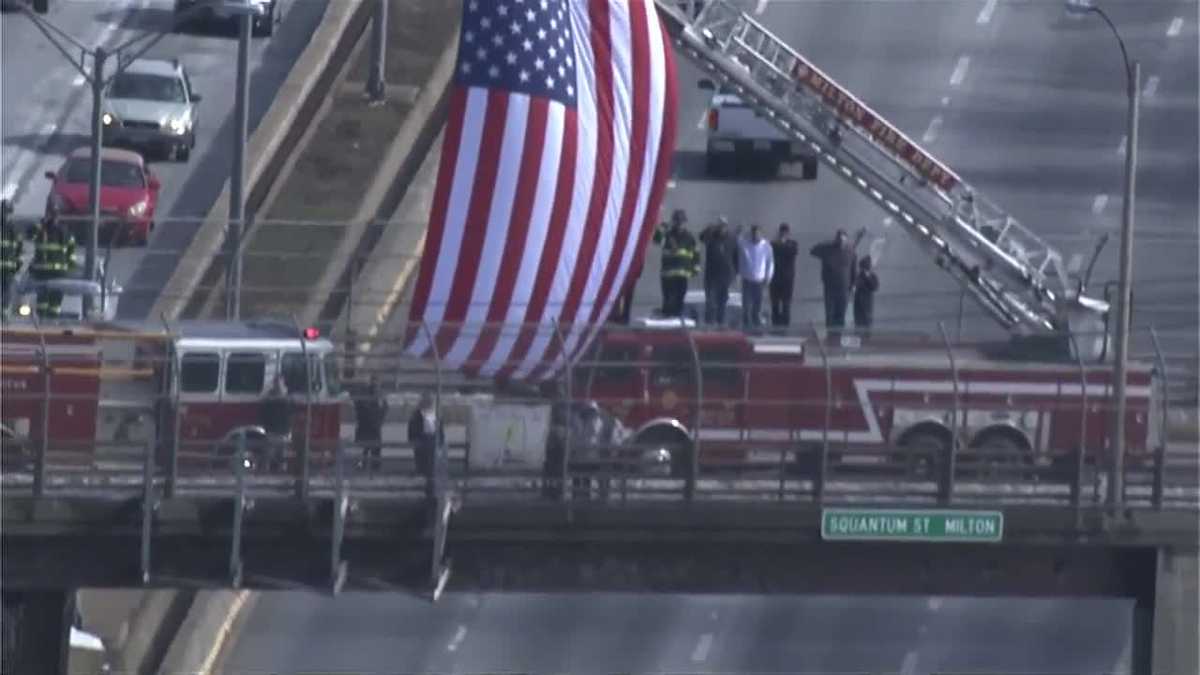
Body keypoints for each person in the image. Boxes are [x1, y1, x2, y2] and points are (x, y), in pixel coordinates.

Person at [809, 229, 857, 341]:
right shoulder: (827, 249)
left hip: (844, 288)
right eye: (839, 240)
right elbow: (813, 251)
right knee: (830, 313)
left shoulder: (851, 252)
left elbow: (854, 270)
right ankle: (830, 335)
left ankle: (838, 335)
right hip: (830, 287)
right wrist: (827, 243)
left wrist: (853, 285)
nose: (841, 242)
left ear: (846, 240)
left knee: (841, 313)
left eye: (843, 240)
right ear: (836, 240)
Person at [29, 207, 76, 318]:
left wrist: (40, 224)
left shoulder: (43, 230)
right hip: (55, 272)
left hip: (45, 272)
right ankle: (50, 320)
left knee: (48, 298)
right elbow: (71, 253)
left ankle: (47, 319)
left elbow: (30, 235)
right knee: (50, 298)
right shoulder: (62, 231)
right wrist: (69, 268)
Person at [652, 209, 699, 318]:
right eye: (677, 221)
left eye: (681, 221)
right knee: (668, 298)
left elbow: (696, 253)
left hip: (682, 274)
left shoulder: (689, 237)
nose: (679, 224)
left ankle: (677, 318)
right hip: (668, 274)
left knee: (680, 298)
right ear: (674, 222)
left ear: (684, 222)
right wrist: (662, 227)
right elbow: (656, 240)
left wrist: (695, 269)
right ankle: (667, 317)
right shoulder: (667, 235)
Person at [698, 216, 738, 326]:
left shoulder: (732, 238)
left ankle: (721, 324)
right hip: (711, 276)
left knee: (722, 301)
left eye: (724, 226)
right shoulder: (711, 237)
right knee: (710, 302)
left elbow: (736, 257)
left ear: (727, 227)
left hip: (726, 275)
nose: (722, 229)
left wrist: (736, 273)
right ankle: (709, 324)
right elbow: (701, 237)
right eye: (720, 226)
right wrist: (709, 228)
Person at [408, 392, 445, 512]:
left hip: (432, 443)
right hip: (423, 444)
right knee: (427, 471)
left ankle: (431, 495)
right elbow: (412, 429)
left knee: (432, 472)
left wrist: (441, 443)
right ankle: (429, 495)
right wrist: (414, 441)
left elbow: (440, 430)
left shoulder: (436, 414)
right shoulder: (417, 415)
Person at [737, 224, 774, 329]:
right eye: (753, 234)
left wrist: (768, 277)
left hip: (760, 281)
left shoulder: (766, 246)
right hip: (747, 280)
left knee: (757, 307)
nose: (755, 236)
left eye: (757, 234)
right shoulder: (745, 244)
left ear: (761, 234)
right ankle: (746, 328)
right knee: (746, 307)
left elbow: (770, 263)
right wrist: (740, 231)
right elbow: (737, 240)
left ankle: (757, 329)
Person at [354, 376, 389, 471]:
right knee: (365, 447)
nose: (376, 386)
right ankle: (363, 463)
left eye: (377, 384)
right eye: (374, 383)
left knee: (375, 446)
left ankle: (375, 464)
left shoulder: (380, 394)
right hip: (366, 424)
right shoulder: (365, 393)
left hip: (375, 424)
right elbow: (360, 406)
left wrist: (380, 420)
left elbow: (385, 407)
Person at [769, 223, 799, 329]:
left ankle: (785, 327)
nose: (783, 234)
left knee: (786, 304)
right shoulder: (773, 244)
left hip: (787, 279)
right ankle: (775, 326)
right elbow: (771, 254)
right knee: (775, 304)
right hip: (775, 278)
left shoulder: (793, 244)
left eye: (786, 232)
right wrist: (779, 243)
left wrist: (782, 244)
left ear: (788, 233)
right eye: (782, 232)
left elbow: (792, 252)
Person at [260, 376, 292, 471]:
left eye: (280, 382)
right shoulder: (270, 397)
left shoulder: (287, 397)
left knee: (283, 455)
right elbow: (264, 412)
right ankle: (266, 471)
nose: (278, 385)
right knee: (268, 455)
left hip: (284, 431)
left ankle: (281, 471)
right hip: (272, 430)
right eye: (277, 382)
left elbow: (290, 412)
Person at [853, 256, 879, 339]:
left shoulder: (872, 276)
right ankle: (859, 338)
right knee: (859, 322)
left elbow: (874, 287)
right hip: (859, 303)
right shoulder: (858, 276)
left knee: (867, 322)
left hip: (867, 303)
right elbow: (854, 286)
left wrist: (867, 277)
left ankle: (867, 338)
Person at [1, 199, 20, 308]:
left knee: (7, 292)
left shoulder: (12, 229)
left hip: (8, 269)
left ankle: (4, 312)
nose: (6, 215)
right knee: (6, 291)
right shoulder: (12, 228)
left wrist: (18, 263)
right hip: (8, 268)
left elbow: (18, 248)